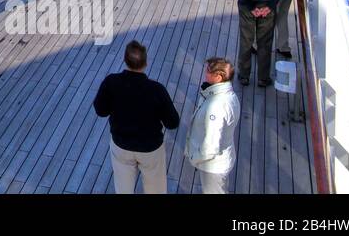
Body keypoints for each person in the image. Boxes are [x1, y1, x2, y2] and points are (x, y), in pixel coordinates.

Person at [92, 40, 180, 194]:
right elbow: (172, 122)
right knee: (156, 189)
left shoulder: (111, 82)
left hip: (121, 145)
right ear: (145, 63)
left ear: (125, 60)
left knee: (123, 189)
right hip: (150, 148)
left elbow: (101, 111)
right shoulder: (156, 90)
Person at [184, 57, 240, 194]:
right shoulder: (230, 96)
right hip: (222, 159)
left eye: (208, 70)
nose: (205, 72)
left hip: (212, 166)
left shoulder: (216, 107)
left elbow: (211, 147)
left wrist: (194, 158)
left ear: (218, 77)